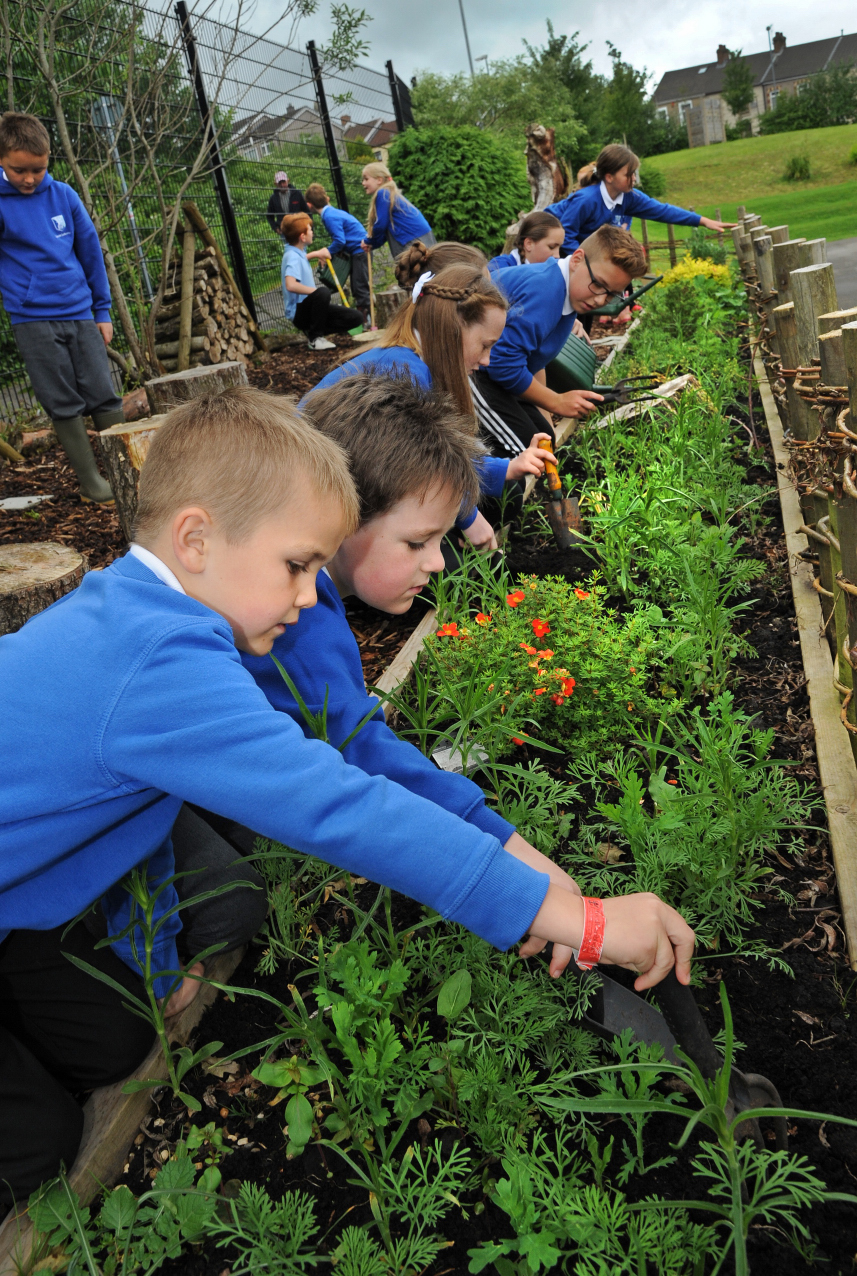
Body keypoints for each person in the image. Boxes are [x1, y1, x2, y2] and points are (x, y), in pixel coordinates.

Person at [0, 385, 695, 1210]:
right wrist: (579, 921)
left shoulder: (142, 613)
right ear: (195, 539)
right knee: (34, 1155)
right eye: (297, 566)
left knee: (114, 1046)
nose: (308, 596)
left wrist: (152, 964)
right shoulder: (161, 663)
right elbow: (341, 808)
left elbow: (136, 826)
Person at [306, 262, 553, 552]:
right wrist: (470, 518)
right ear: (453, 329)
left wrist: (510, 467)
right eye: (485, 345)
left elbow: (441, 454)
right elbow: (427, 469)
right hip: (315, 503)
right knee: (443, 564)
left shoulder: (414, 362)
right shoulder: (405, 374)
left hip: (347, 494)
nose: (487, 360)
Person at [0, 111, 121, 505]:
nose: (30, 178)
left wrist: (101, 311)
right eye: (20, 170)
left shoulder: (63, 196)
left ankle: (125, 472)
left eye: (39, 169)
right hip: (32, 319)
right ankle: (92, 483)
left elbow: (90, 254)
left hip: (80, 312)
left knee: (103, 393)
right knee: (62, 400)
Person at [472, 224, 648, 457]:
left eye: (611, 293)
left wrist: (546, 412)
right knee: (528, 452)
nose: (600, 299)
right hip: (469, 373)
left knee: (544, 436)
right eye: (598, 285)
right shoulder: (546, 291)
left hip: (490, 374)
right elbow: (501, 363)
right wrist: (555, 401)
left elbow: (534, 359)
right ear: (576, 260)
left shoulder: (567, 292)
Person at [545, 143, 734, 257]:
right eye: (629, 174)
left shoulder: (629, 197)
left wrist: (703, 221)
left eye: (634, 173)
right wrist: (583, 260)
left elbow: (664, 211)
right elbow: (565, 233)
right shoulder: (586, 200)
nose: (634, 179)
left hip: (572, 249)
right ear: (609, 177)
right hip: (545, 239)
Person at [280, 212, 361, 352]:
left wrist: (316, 254)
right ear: (302, 236)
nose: (312, 232)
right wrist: (315, 292)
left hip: (310, 311)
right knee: (322, 292)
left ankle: (316, 332)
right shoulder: (292, 256)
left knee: (356, 317)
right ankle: (315, 338)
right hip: (300, 313)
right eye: (310, 229)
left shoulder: (296, 253)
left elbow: (303, 258)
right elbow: (290, 284)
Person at [303, 181, 371, 325]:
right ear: (326, 198)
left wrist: (327, 251)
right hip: (356, 250)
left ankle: (367, 321)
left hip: (360, 250)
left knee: (360, 286)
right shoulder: (331, 212)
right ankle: (363, 319)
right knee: (357, 286)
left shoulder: (329, 216)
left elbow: (339, 241)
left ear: (309, 205)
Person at [361, 162, 435, 258]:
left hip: (414, 241)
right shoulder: (389, 193)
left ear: (379, 180)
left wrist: (368, 241)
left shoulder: (383, 193)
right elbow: (385, 232)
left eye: (366, 179)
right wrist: (372, 244)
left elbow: (380, 225)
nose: (363, 183)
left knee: (412, 271)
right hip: (422, 237)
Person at [488, 211, 564, 274]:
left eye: (559, 248)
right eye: (551, 247)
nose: (557, 256)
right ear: (529, 244)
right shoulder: (499, 268)